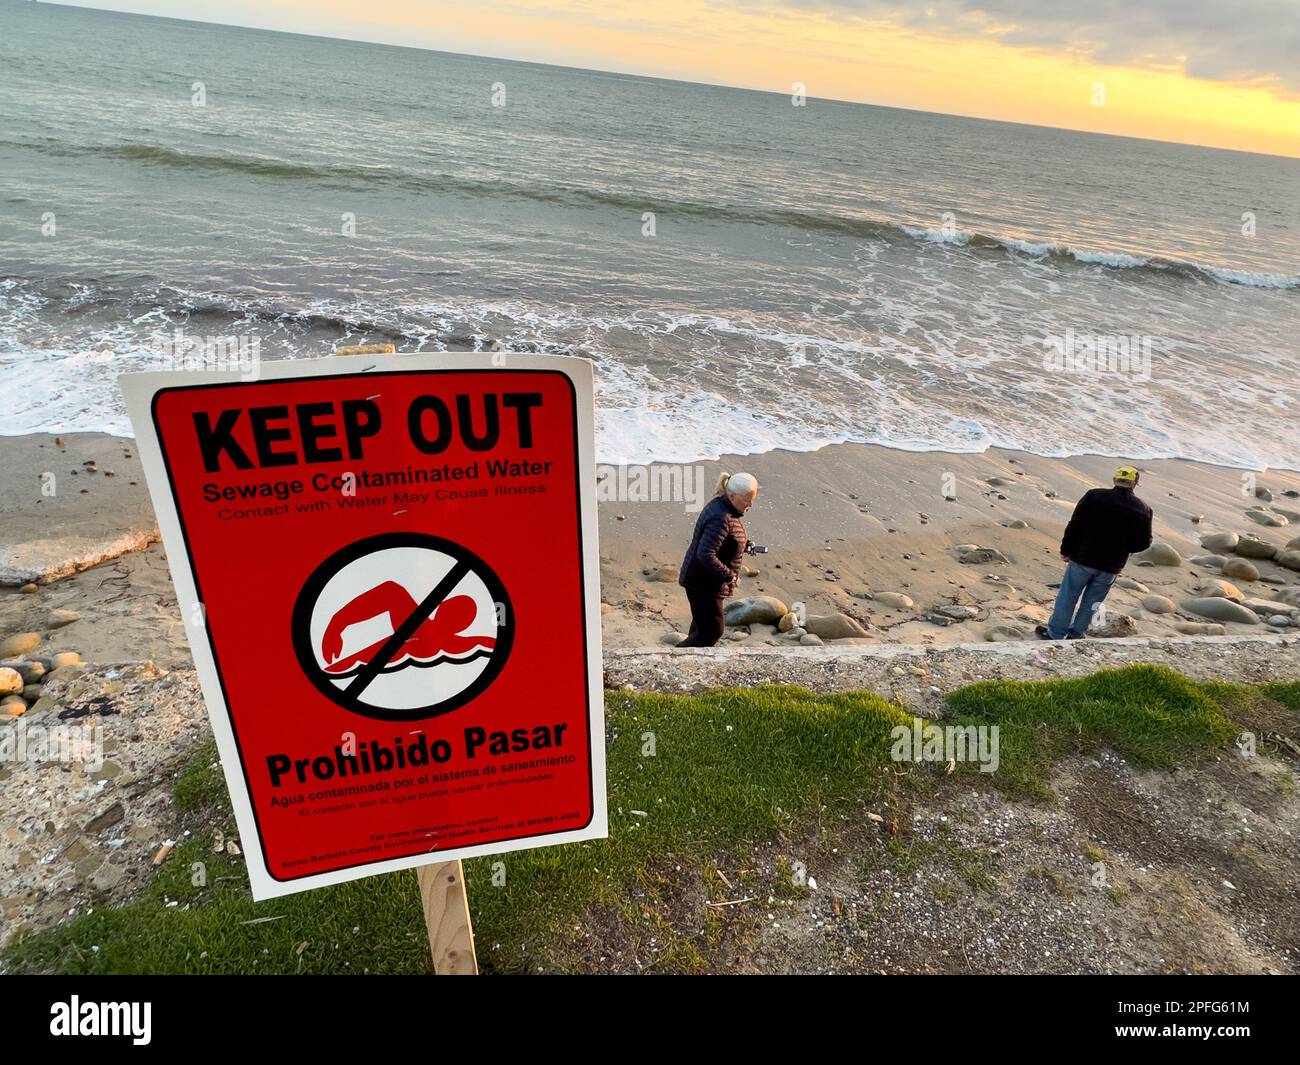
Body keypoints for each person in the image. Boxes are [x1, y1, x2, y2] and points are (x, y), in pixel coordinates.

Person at [1037, 465, 1152, 640]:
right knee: (1092, 603)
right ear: (1134, 483)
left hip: (1083, 557)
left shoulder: (1094, 496)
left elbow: (1075, 525)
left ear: (1115, 480)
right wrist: (1125, 549)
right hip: (1112, 565)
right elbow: (1144, 542)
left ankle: (1055, 634)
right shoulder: (1143, 509)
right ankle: (1076, 634)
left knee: (1068, 596)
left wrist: (1066, 550)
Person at [676, 472, 757, 647]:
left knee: (701, 628)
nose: (750, 504)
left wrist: (745, 545)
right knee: (711, 632)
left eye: (752, 499)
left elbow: (727, 537)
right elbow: (705, 554)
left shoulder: (726, 508)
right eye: (746, 500)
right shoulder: (720, 517)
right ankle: (673, 658)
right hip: (702, 584)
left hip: (705, 581)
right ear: (732, 495)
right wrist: (729, 576)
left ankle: (689, 659)